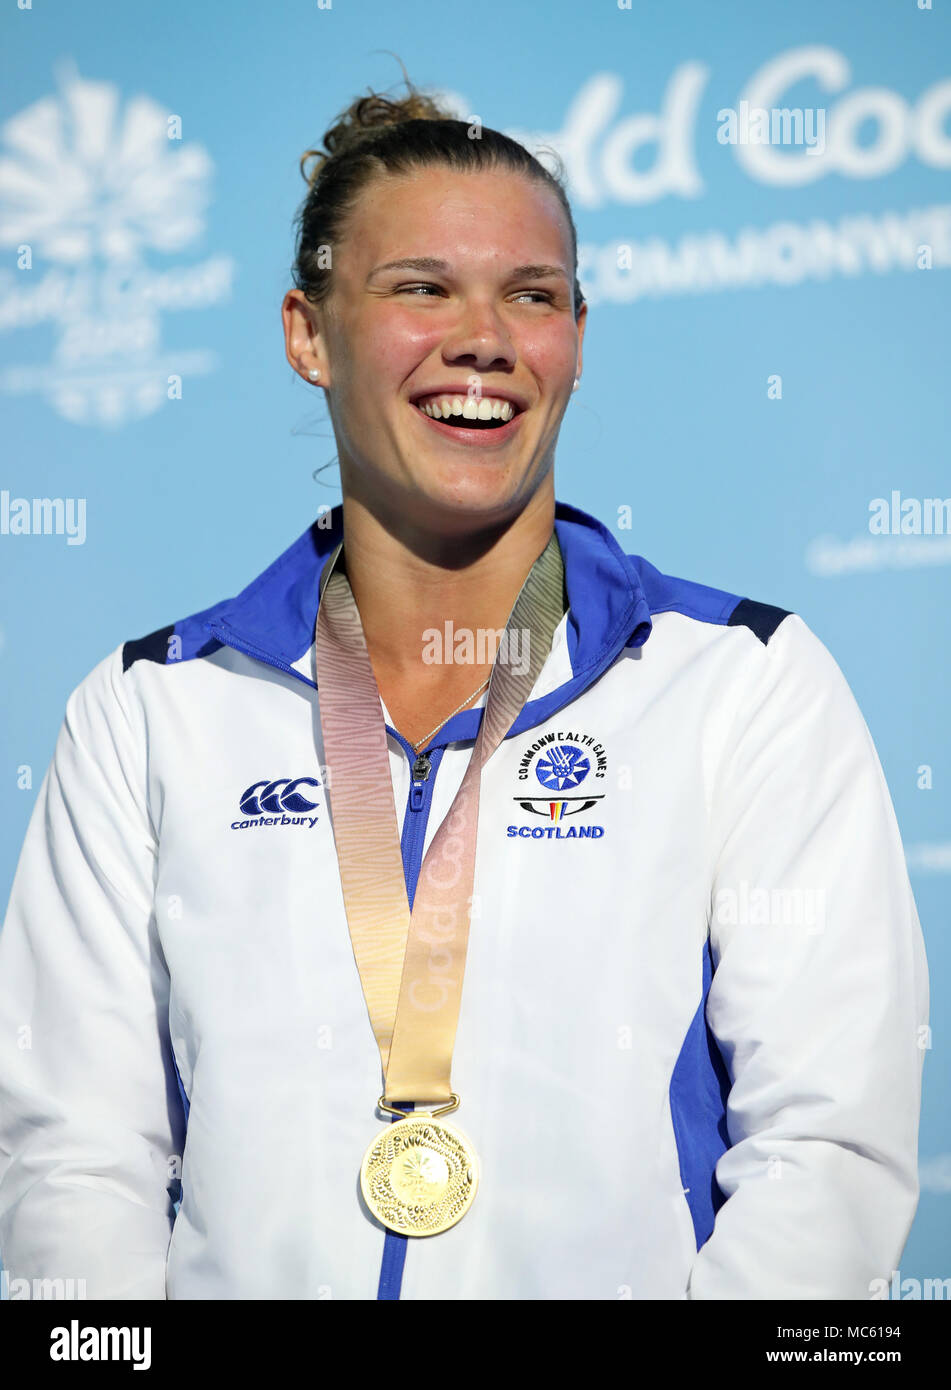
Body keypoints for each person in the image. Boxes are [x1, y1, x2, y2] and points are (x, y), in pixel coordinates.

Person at [0, 76, 928, 1302]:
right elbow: (76, 1161)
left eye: (531, 295)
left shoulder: (742, 683)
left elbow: (827, 1151)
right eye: (421, 287)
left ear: (578, 344)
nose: (482, 336)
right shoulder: (150, 710)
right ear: (308, 335)